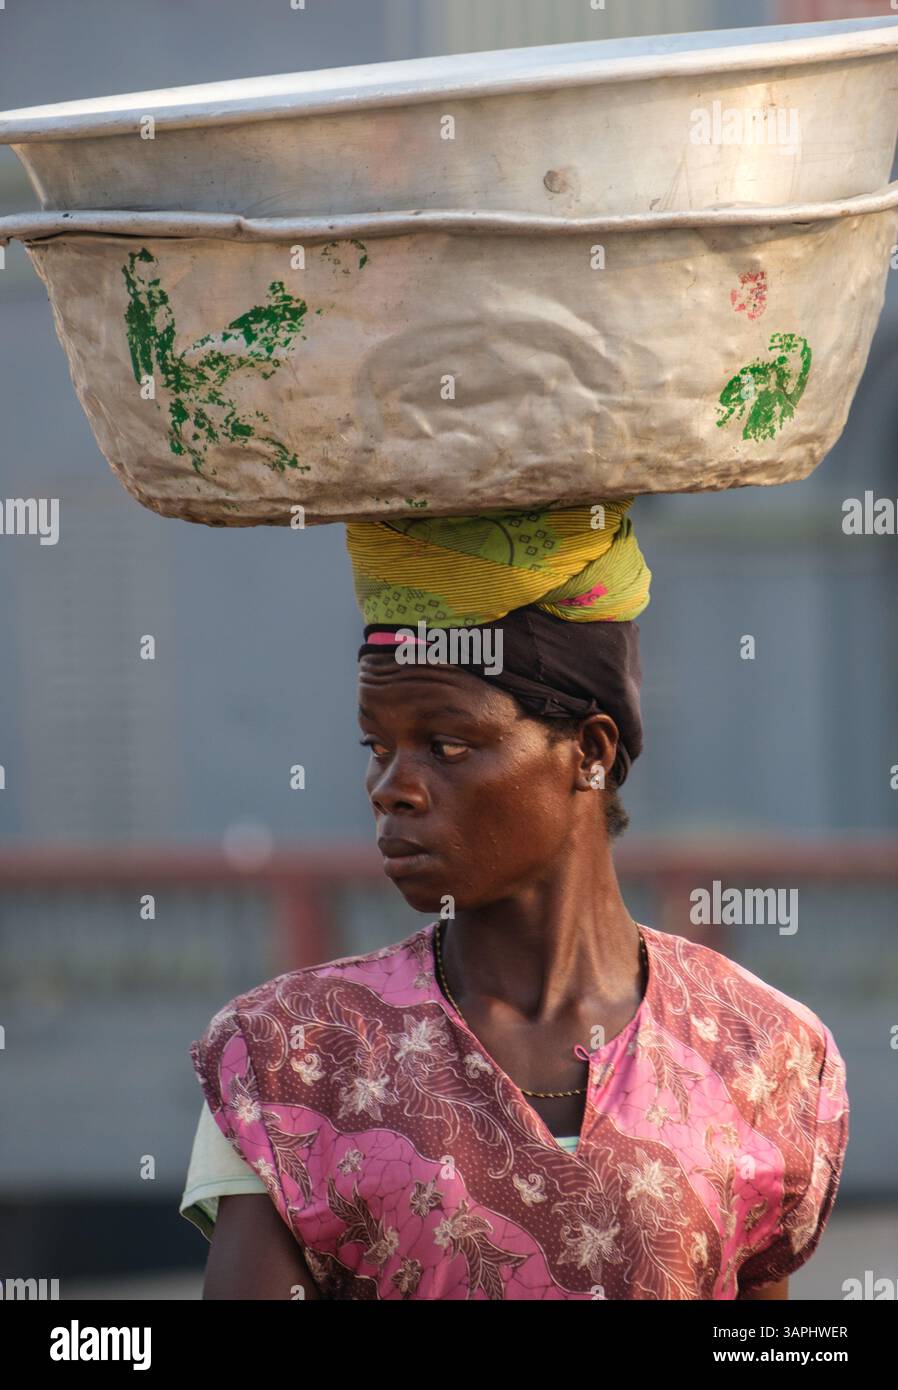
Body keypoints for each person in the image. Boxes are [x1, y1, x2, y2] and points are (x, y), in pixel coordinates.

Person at [180, 500, 849, 1300]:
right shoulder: (288, 1056)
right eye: (377, 746)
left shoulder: (759, 1051)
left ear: (590, 753)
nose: (390, 789)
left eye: (447, 744)